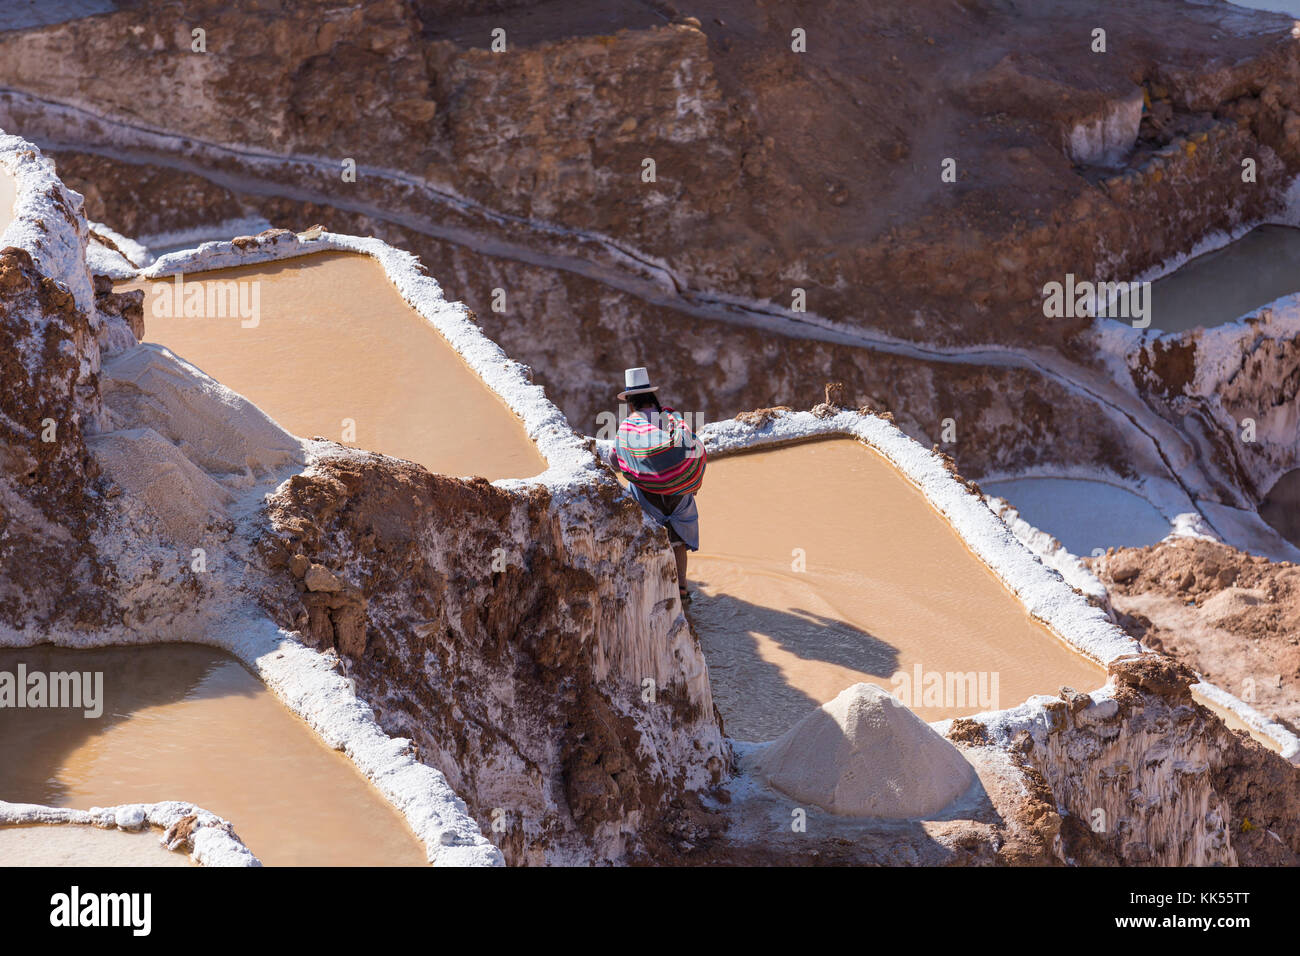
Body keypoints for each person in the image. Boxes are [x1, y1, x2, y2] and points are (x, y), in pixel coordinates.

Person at [605, 367, 706, 603]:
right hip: (678, 492)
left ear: (630, 403)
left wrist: (638, 462)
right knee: (678, 541)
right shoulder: (671, 419)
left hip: (648, 495)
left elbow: (614, 459)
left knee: (655, 539)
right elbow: (689, 447)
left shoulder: (629, 426)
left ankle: (660, 591)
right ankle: (682, 588)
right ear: (652, 396)